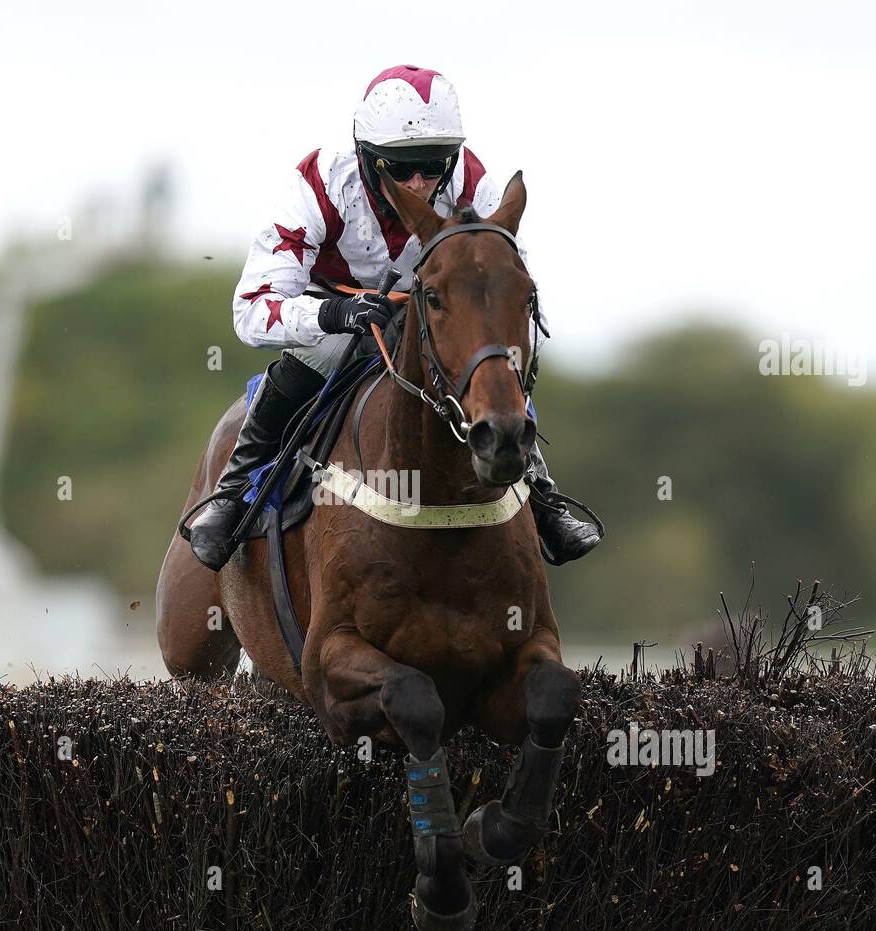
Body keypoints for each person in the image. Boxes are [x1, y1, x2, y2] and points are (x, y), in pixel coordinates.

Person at [187, 64, 600, 572]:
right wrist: (336, 313)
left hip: (433, 311)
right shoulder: (319, 182)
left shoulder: (472, 180)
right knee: (324, 350)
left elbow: (500, 282)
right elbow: (251, 309)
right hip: (333, 312)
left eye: (433, 165)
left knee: (489, 360)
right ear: (366, 156)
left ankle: (541, 495)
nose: (421, 182)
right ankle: (234, 492)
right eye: (401, 169)